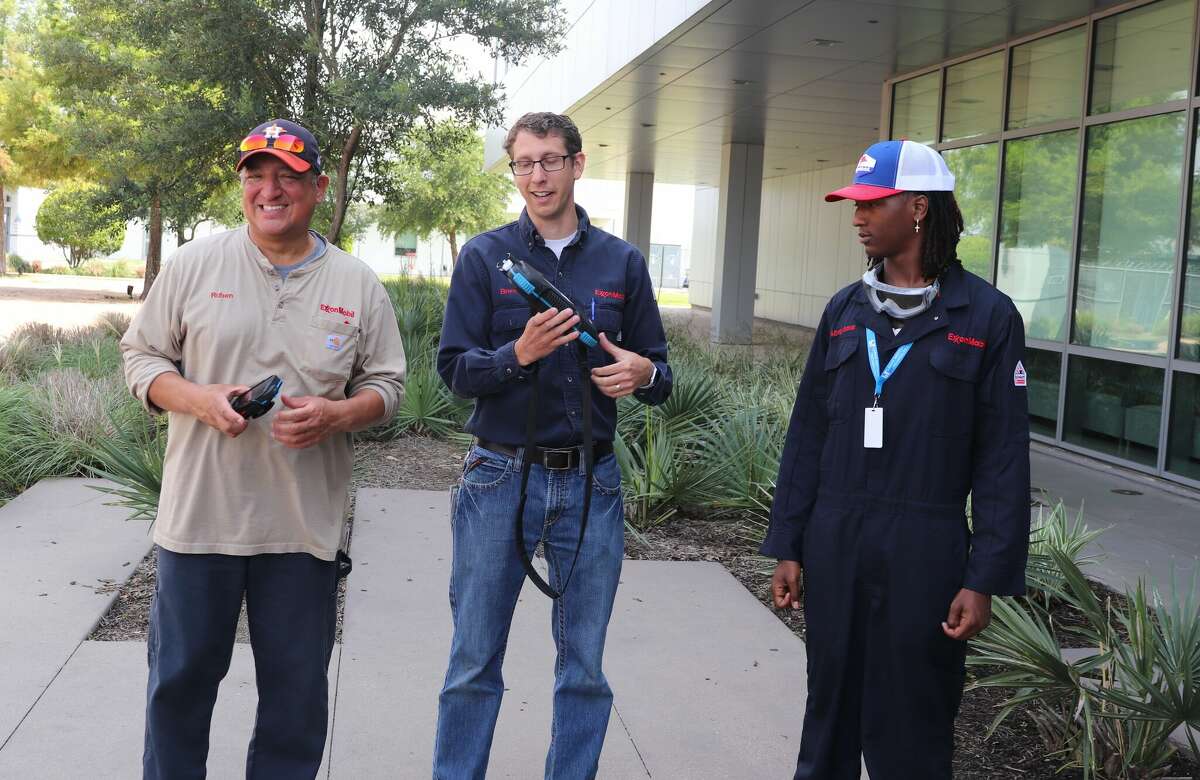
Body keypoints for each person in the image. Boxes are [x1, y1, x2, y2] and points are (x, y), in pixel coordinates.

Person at [121, 118, 406, 779]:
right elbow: (141, 357)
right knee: (178, 690)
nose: (269, 190)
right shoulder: (194, 265)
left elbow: (388, 386)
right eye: (256, 175)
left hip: (302, 531)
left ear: (319, 187)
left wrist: (339, 414)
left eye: (288, 176)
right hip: (200, 524)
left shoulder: (356, 283)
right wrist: (199, 400)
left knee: (295, 703)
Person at [760, 139, 1031, 779]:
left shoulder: (986, 317)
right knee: (829, 709)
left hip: (925, 543)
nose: (857, 217)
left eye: (871, 204)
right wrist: (789, 544)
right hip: (838, 535)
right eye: (855, 205)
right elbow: (807, 437)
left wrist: (982, 578)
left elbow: (1002, 460)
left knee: (914, 719)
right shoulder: (844, 311)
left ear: (918, 208)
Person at [433, 111, 672, 779]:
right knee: (474, 660)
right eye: (524, 163)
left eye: (550, 161)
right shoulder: (484, 257)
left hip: (593, 483)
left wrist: (643, 374)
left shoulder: (621, 262)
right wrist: (517, 354)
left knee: (584, 667)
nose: (537, 176)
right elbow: (454, 370)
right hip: (498, 477)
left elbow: (660, 373)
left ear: (577, 164)